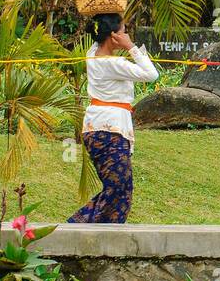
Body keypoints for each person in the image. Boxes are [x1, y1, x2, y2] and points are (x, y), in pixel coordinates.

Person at [67, 13, 159, 223]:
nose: (127, 35)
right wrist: (131, 47)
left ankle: (96, 231)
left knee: (120, 189)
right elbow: (151, 75)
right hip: (109, 131)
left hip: (103, 128)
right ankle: (75, 227)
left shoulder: (93, 55)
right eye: (124, 31)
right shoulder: (111, 63)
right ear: (113, 36)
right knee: (119, 190)